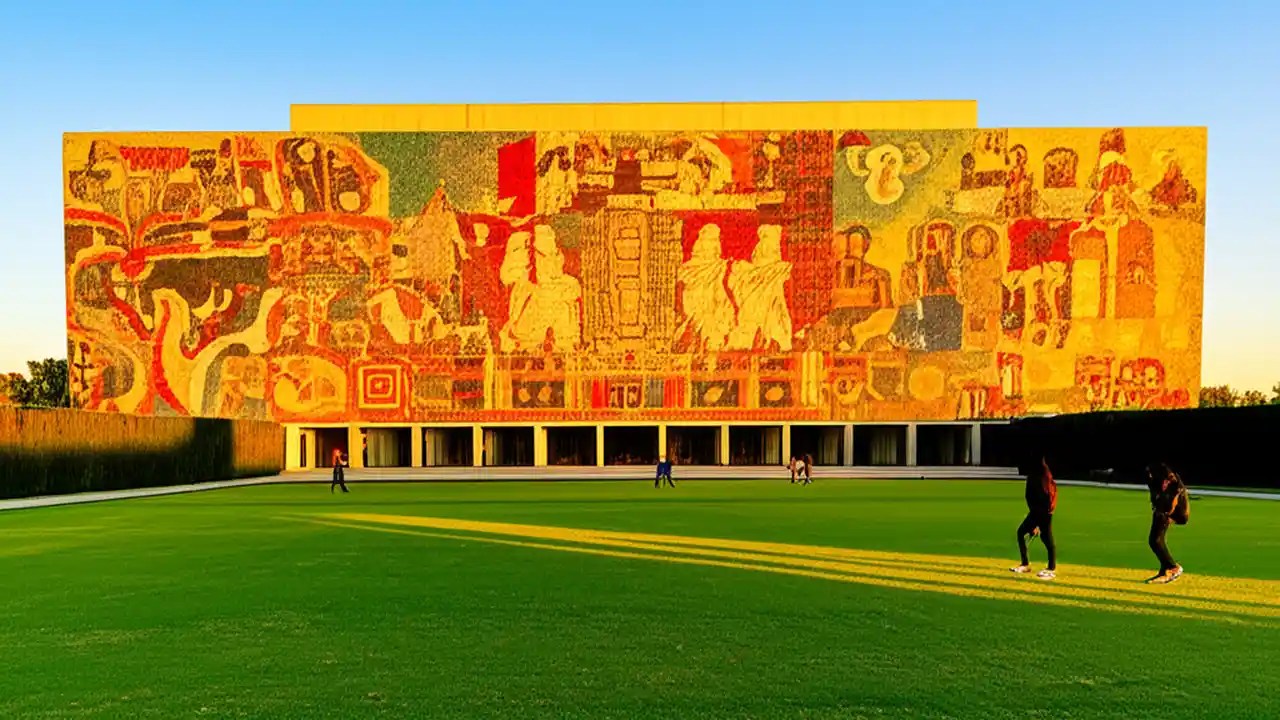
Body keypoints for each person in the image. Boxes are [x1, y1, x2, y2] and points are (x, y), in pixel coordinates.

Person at [1010, 456, 1057, 579]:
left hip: (1044, 512)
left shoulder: (1043, 475)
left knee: (1047, 538)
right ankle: (1025, 564)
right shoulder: (1034, 475)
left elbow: (1048, 496)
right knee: (1021, 532)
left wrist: (1042, 518)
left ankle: (1051, 568)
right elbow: (1030, 497)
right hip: (1036, 512)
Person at [1145, 463, 1188, 584]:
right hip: (1162, 507)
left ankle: (1172, 568)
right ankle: (1165, 570)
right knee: (1155, 540)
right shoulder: (1153, 470)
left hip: (1169, 509)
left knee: (1155, 540)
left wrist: (1169, 511)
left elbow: (1176, 489)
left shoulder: (1164, 470)